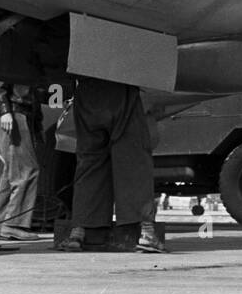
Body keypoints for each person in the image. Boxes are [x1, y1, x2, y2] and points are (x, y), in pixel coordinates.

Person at [64, 77, 166, 253]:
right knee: (134, 161)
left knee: (89, 164)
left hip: (87, 91)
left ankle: (78, 233)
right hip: (121, 87)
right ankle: (146, 232)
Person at [0, 82, 48, 241]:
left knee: (11, 174)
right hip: (15, 114)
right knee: (26, 171)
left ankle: (0, 224)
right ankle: (14, 225)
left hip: (17, 114)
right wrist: (5, 110)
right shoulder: (15, 59)